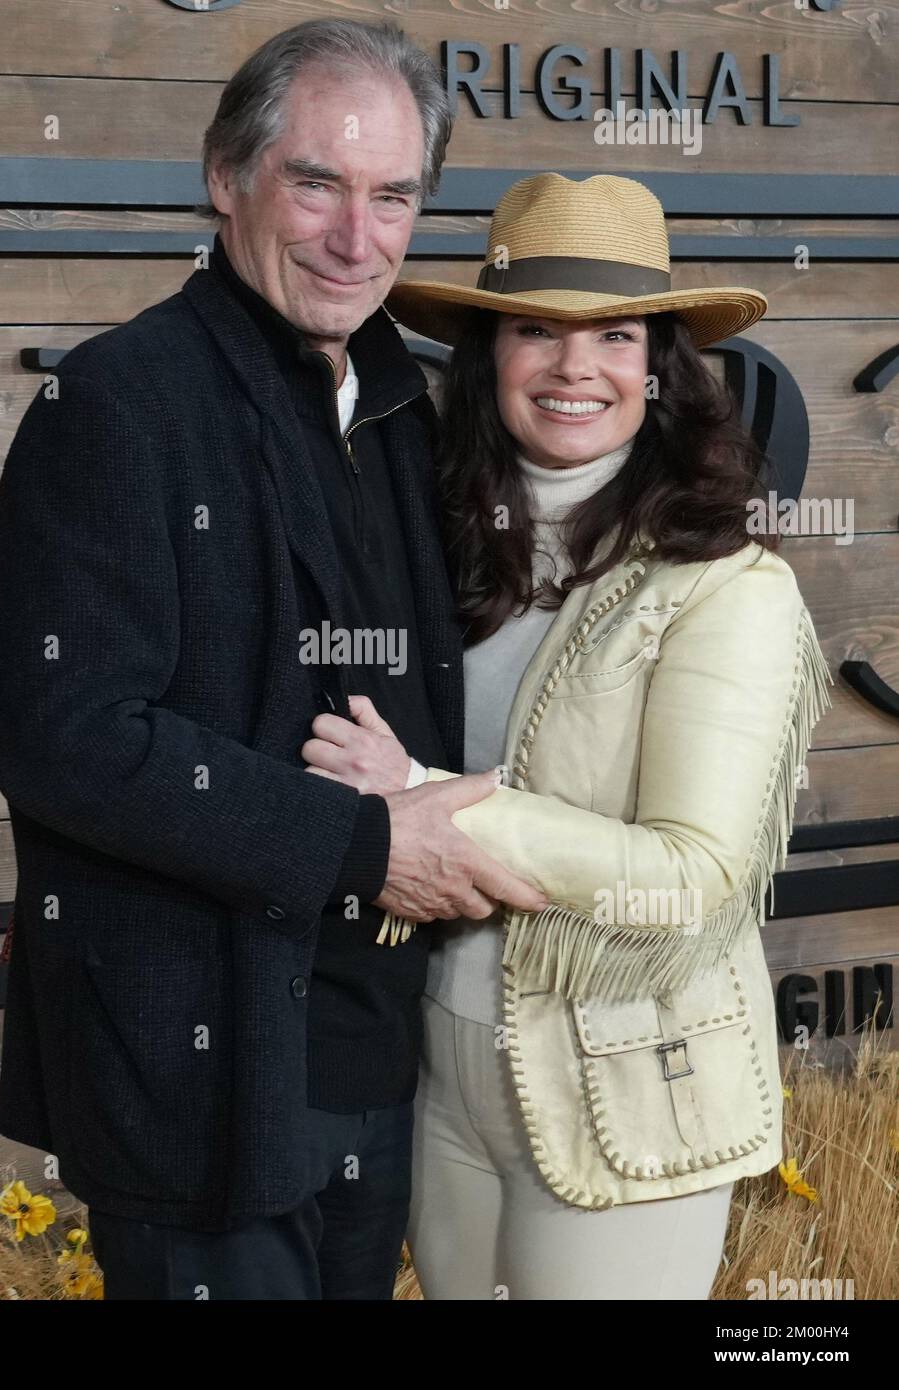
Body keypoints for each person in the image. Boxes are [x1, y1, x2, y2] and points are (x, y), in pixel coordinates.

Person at [0, 18, 545, 1301]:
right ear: (224, 177)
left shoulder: (409, 401)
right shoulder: (121, 401)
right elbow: (69, 736)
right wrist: (368, 847)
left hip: (368, 1049)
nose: (359, 238)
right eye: (317, 183)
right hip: (199, 1072)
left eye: (393, 195)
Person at [302, 172, 833, 1299]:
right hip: (440, 1067)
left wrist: (420, 794)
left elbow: (692, 874)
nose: (571, 367)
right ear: (488, 355)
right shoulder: (435, 548)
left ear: (658, 366)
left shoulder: (725, 587)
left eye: (611, 334)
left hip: (623, 1076)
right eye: (534, 330)